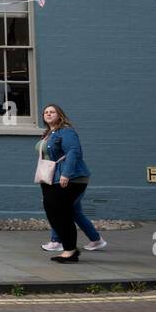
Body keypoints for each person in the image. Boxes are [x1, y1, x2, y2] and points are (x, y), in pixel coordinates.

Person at [37, 104, 90, 263]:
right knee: (52, 210)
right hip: (50, 178)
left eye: (52, 111)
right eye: (46, 112)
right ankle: (68, 247)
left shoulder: (66, 131)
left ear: (60, 115)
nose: (48, 114)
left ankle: (70, 251)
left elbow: (74, 152)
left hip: (70, 178)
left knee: (62, 213)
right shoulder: (49, 133)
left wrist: (66, 173)